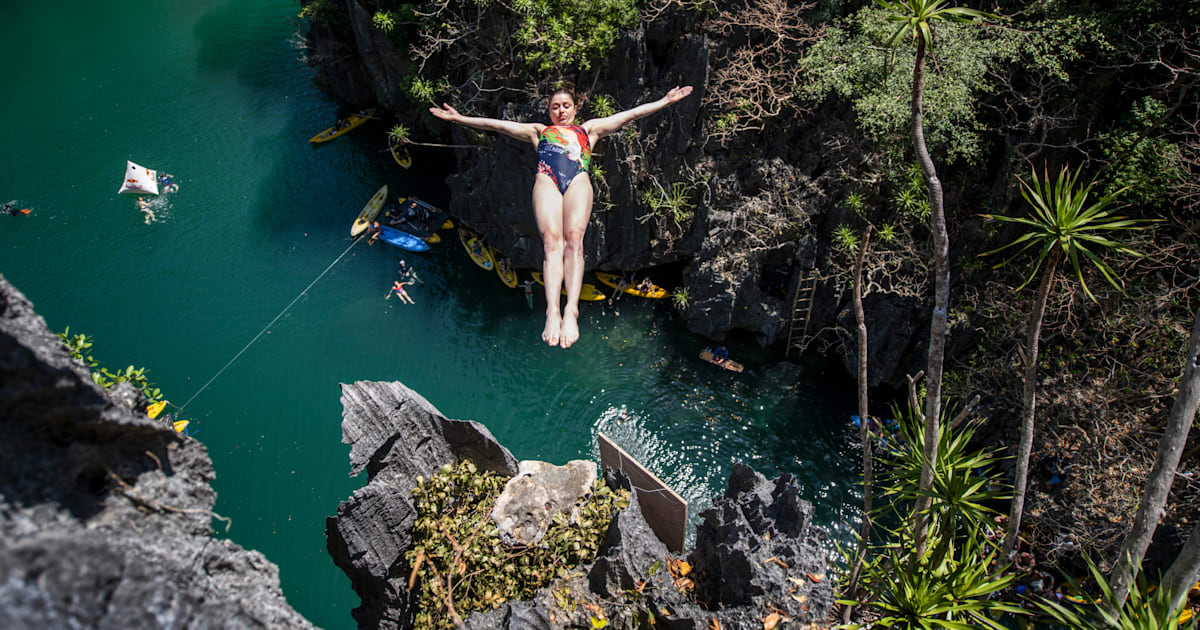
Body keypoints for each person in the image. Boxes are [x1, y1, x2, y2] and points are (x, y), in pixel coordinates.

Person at [429, 84, 694, 348]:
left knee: (574, 241)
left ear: (575, 109)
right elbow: (496, 125)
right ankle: (552, 311)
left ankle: (571, 311)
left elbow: (630, 115)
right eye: (555, 106)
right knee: (550, 243)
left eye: (566, 105)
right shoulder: (539, 131)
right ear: (549, 111)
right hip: (548, 180)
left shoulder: (589, 129)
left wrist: (664, 101)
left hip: (578, 180)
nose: (561, 110)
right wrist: (459, 118)